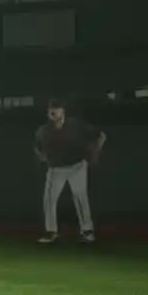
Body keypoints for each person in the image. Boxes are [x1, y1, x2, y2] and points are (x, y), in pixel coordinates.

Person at [34, 99, 105, 244]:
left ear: (63, 111)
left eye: (57, 109)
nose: (54, 112)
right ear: (48, 113)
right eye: (51, 110)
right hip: (55, 168)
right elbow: (36, 146)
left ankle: (87, 231)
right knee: (49, 199)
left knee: (80, 197)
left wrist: (96, 152)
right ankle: (50, 232)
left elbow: (100, 135)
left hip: (76, 166)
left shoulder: (75, 124)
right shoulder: (43, 130)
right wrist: (41, 156)